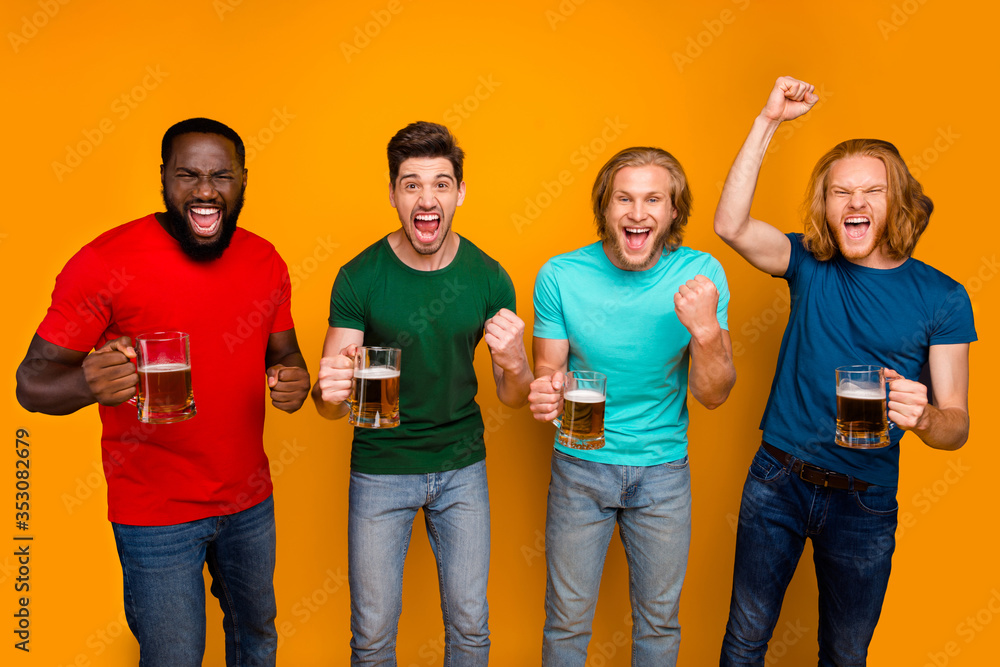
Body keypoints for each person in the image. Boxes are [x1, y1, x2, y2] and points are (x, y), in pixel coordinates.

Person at [15, 117, 311, 667]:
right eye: (188, 175)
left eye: (221, 176)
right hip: (155, 511)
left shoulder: (265, 260)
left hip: (249, 500)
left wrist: (295, 381)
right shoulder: (104, 262)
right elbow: (29, 385)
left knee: (258, 639)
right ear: (164, 180)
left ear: (243, 180)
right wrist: (86, 382)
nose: (205, 190)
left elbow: (285, 358)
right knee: (174, 657)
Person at [715, 77, 976, 666]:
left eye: (871, 191)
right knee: (744, 641)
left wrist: (928, 415)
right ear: (825, 205)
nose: (855, 203)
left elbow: (957, 425)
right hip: (777, 479)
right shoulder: (809, 262)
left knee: (845, 655)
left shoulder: (944, 297)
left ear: (897, 201)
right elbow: (730, 226)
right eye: (840, 192)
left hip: (865, 502)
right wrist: (768, 121)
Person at [311, 121, 533, 665]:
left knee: (470, 628)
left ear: (460, 193)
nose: (426, 198)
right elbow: (327, 402)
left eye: (439, 183)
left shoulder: (489, 277)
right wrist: (329, 391)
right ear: (392, 195)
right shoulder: (359, 277)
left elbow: (512, 396)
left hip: (462, 469)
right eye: (411, 184)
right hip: (380, 467)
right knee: (372, 636)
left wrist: (516, 361)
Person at [528, 146, 737, 665]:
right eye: (624, 198)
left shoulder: (701, 276)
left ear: (672, 212)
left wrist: (706, 329)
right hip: (580, 467)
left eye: (653, 200)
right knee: (567, 622)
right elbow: (547, 374)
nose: (637, 213)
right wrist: (546, 389)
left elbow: (713, 395)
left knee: (659, 624)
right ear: (605, 207)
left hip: (663, 472)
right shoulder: (560, 275)